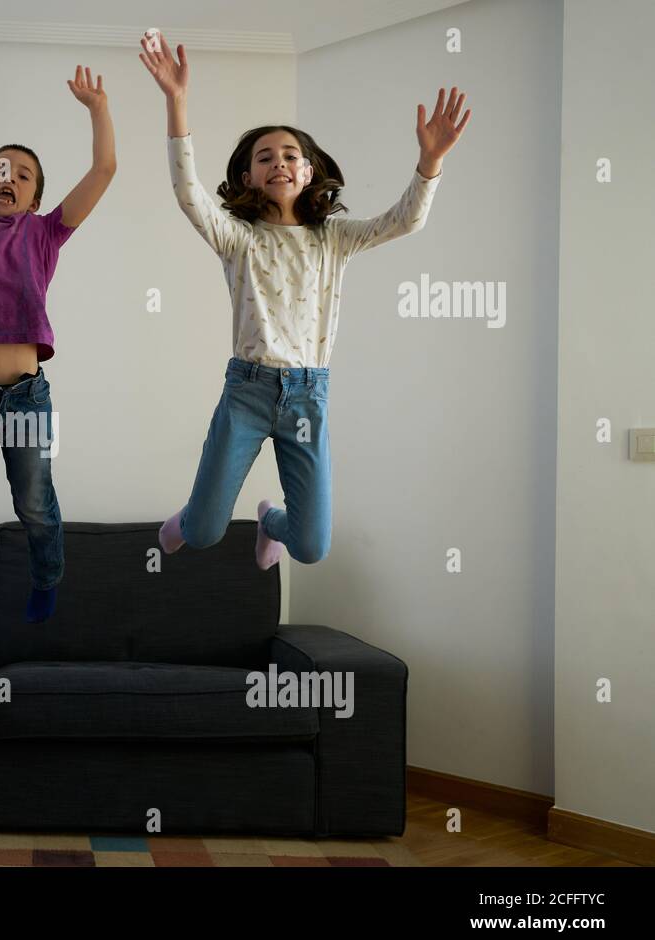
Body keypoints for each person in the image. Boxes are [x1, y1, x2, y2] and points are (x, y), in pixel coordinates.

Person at [139, 33, 470, 568]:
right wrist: (176, 102)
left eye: (290, 155)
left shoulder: (334, 238)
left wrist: (428, 162)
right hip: (247, 391)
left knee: (312, 547)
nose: (279, 163)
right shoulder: (238, 238)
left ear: (309, 171)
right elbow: (188, 193)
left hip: (307, 396)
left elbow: (404, 219)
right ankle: (183, 522)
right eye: (264, 157)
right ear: (247, 176)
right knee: (201, 533)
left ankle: (270, 522)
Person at [0, 67, 116, 622]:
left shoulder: (46, 234)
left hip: (24, 399)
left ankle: (46, 578)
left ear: (36, 198)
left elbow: (105, 169)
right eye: (0, 171)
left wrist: (97, 107)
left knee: (35, 504)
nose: (10, 178)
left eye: (25, 175)